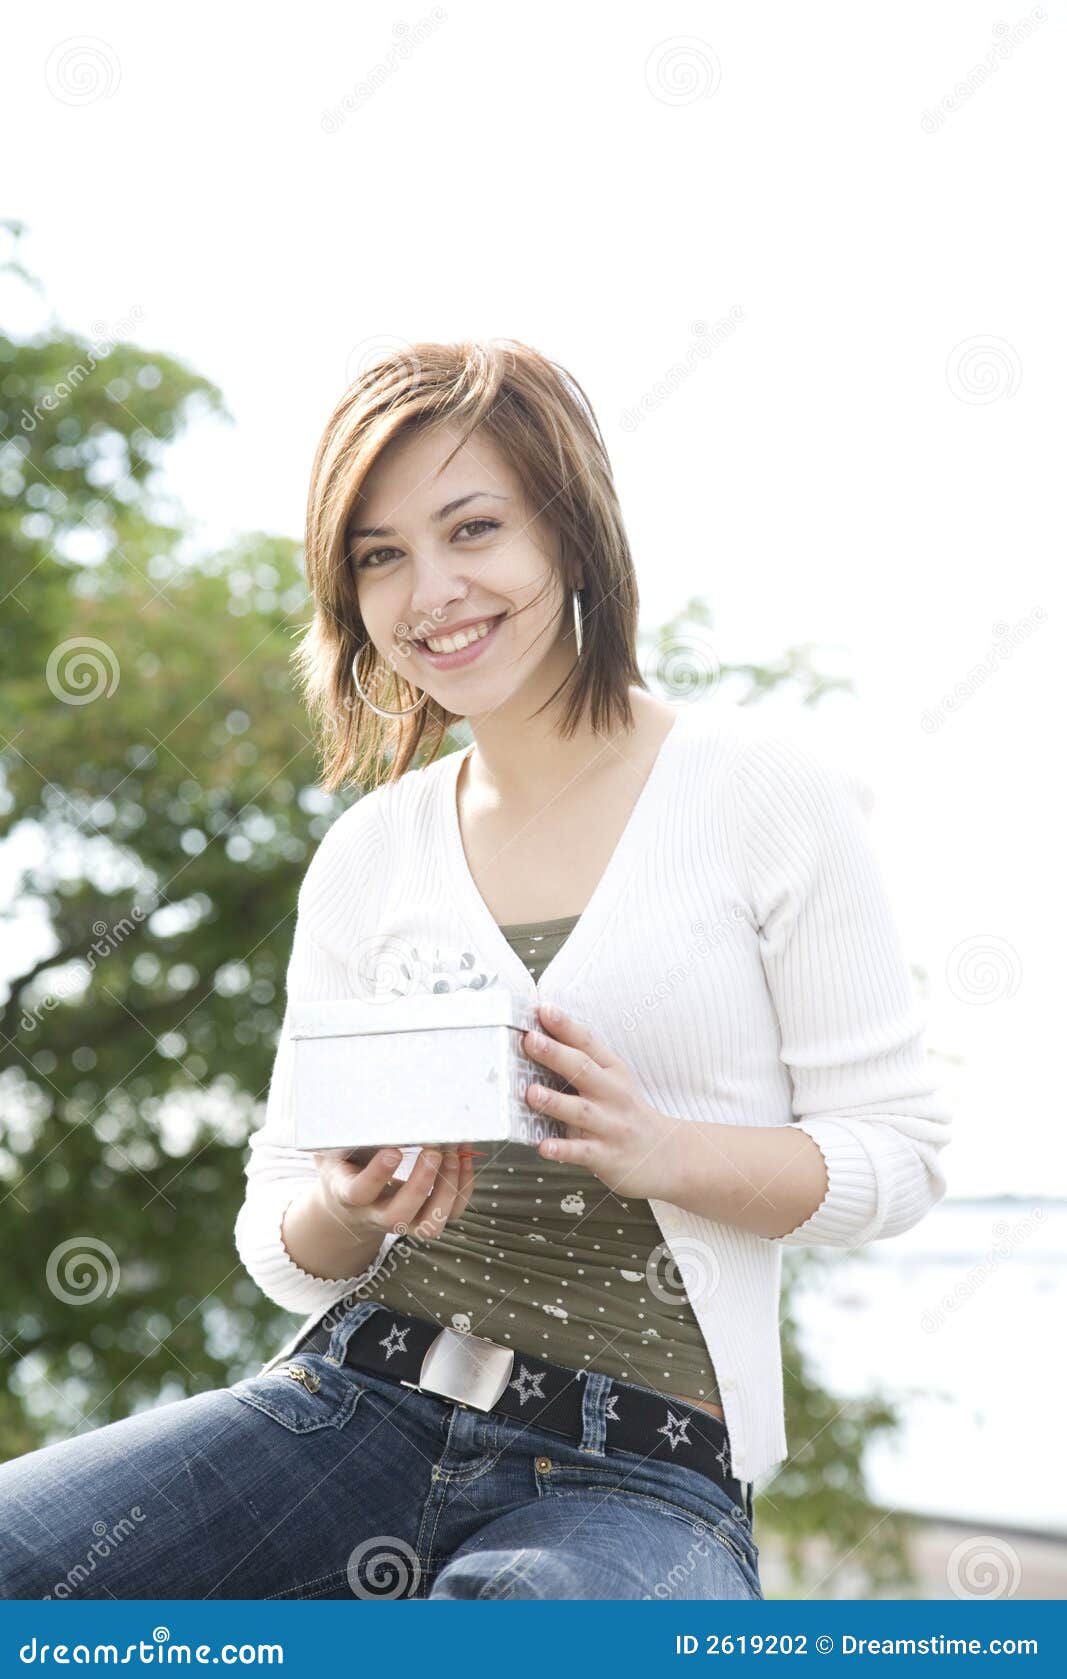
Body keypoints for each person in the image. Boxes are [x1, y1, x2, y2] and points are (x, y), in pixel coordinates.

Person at [0, 339, 951, 1601]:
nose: (429, 591)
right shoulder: (367, 851)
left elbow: (898, 1157)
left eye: (472, 529)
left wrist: (663, 1151)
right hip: (350, 1402)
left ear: (568, 528)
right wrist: (348, 1203)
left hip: (642, 1472)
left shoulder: (756, 793)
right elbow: (279, 1223)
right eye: (378, 555)